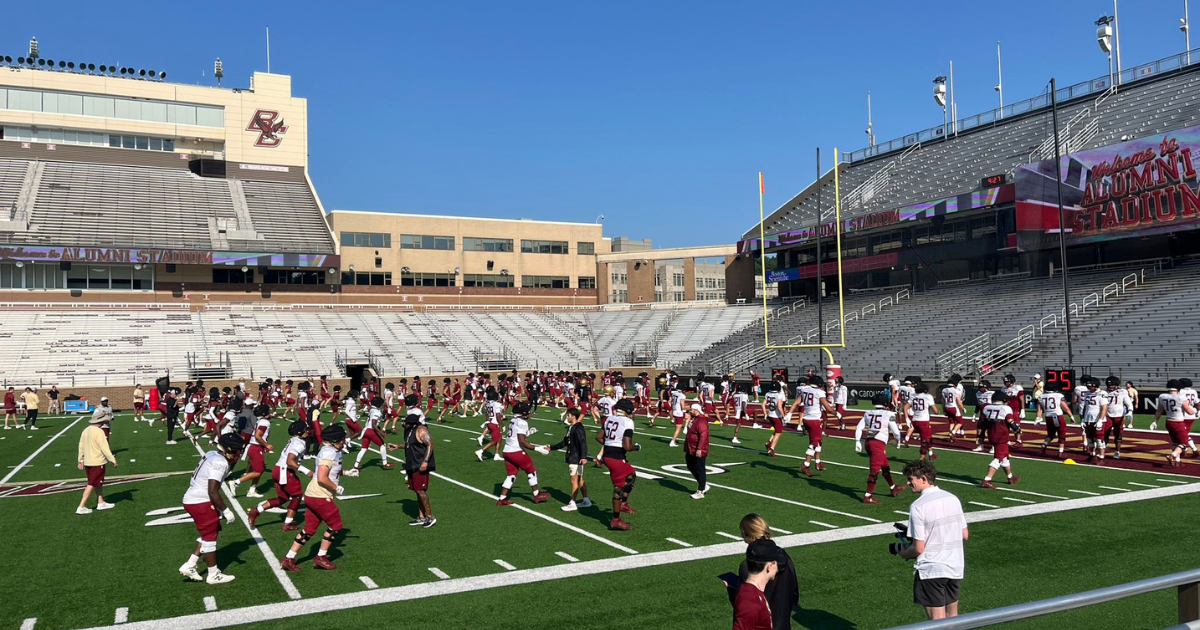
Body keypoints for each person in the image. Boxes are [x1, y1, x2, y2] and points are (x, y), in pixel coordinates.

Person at [900, 459, 968, 621]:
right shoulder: (953, 498)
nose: (908, 483)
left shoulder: (918, 506)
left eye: (911, 479)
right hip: (955, 567)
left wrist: (904, 553)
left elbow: (918, 548)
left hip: (931, 570)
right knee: (953, 619)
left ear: (923, 478)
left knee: (937, 623)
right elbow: (964, 534)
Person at [178, 433, 245, 584]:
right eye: (236, 450)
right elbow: (212, 490)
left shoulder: (212, 453)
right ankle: (213, 574)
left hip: (195, 498)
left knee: (210, 532)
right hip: (200, 501)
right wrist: (226, 510)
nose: (238, 454)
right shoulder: (220, 462)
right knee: (209, 538)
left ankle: (190, 564)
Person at [282, 424, 350, 571]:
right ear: (335, 440)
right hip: (320, 495)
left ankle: (289, 558)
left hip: (312, 494)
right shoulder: (329, 453)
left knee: (309, 529)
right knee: (335, 525)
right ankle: (321, 557)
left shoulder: (329, 450)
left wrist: (347, 472)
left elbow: (331, 470)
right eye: (342, 438)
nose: (344, 441)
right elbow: (322, 477)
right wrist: (335, 487)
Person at [724, 514, 798, 630]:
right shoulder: (786, 559)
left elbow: (745, 605)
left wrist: (732, 591)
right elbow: (794, 595)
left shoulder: (748, 566)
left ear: (748, 534)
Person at [248, 420, 311, 532]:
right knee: (297, 496)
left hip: (277, 469)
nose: (307, 431)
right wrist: (306, 471)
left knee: (283, 498)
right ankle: (287, 524)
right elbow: (290, 461)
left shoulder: (294, 440)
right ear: (300, 431)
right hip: (285, 471)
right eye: (305, 429)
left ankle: (256, 511)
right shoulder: (299, 443)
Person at [496, 402, 551, 506]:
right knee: (531, 471)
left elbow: (517, 436)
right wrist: (538, 449)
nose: (529, 413)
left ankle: (502, 498)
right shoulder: (522, 422)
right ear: (523, 412)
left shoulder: (514, 420)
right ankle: (537, 494)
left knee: (511, 475)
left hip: (507, 451)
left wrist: (528, 433)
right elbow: (522, 441)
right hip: (516, 451)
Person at [854, 393, 904, 503]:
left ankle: (893, 487)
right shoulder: (889, 414)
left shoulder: (868, 413)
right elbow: (896, 432)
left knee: (885, 466)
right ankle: (867, 496)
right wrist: (898, 442)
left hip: (869, 442)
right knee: (874, 471)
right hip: (878, 444)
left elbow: (859, 428)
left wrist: (857, 441)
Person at [599, 398, 640, 530]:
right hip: (616, 457)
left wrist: (610, 444)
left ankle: (623, 503)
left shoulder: (609, 419)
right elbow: (627, 446)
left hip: (608, 454)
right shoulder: (628, 422)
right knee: (618, 488)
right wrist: (637, 447)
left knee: (631, 475)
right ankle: (616, 519)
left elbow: (599, 437)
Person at [730, 538, 782, 630]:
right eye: (775, 563)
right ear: (769, 567)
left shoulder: (753, 592)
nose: (777, 567)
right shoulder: (750, 602)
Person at [788, 376, 835, 476]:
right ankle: (806, 465)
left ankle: (818, 463)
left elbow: (796, 402)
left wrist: (789, 413)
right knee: (814, 443)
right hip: (814, 420)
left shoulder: (805, 389)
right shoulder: (819, 392)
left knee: (818, 441)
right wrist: (838, 414)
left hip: (806, 419)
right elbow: (828, 408)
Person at [396, 411, 436, 527]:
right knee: (416, 491)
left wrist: (425, 461)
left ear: (412, 423)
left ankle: (430, 517)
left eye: (407, 423)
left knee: (421, 491)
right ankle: (421, 517)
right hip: (412, 464)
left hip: (419, 465)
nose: (405, 425)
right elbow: (409, 444)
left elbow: (430, 444)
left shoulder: (421, 430)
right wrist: (398, 446)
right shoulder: (411, 431)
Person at [548, 407, 592, 512]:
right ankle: (586, 500)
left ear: (573, 416)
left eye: (568, 415)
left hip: (575, 457)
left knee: (574, 480)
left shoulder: (578, 428)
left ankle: (572, 502)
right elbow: (564, 442)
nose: (567, 417)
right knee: (580, 480)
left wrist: (583, 456)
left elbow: (583, 442)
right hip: (574, 456)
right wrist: (551, 447)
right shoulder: (571, 428)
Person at [76, 413, 118, 514]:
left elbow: (81, 446)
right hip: (97, 462)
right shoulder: (99, 432)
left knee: (98, 483)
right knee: (91, 483)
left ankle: (101, 502)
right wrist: (113, 459)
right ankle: (81, 506)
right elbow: (104, 447)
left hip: (88, 462)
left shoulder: (86, 430)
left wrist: (80, 460)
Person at [980, 391, 1021, 487]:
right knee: (998, 458)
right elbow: (1010, 421)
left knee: (1004, 457)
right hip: (1001, 436)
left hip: (992, 435)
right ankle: (987, 479)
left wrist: (981, 436)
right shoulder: (1005, 408)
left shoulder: (986, 408)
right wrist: (1017, 430)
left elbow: (983, 424)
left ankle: (1010, 477)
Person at [1157, 380, 1196, 467]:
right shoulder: (1180, 397)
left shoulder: (1162, 396)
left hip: (1168, 422)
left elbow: (1159, 411)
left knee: (1175, 443)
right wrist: (1195, 411)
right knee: (1184, 444)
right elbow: (1189, 412)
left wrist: (1155, 421)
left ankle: (1177, 461)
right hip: (1178, 423)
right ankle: (1172, 455)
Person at [1037, 385, 1074, 458]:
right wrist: (1071, 416)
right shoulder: (1059, 395)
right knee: (1061, 434)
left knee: (1050, 434)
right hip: (1058, 416)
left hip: (1048, 417)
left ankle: (1045, 444)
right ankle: (1060, 452)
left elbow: (1039, 410)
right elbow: (1066, 408)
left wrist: (1038, 418)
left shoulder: (1041, 396)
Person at [684, 403, 711, 499]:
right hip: (691, 448)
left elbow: (703, 436)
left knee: (700, 469)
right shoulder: (695, 420)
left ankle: (700, 491)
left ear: (696, 410)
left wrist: (699, 449)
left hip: (698, 449)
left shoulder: (701, 421)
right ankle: (703, 484)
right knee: (690, 465)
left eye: (691, 409)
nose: (690, 411)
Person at [1102, 376, 1133, 460]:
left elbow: (1128, 402)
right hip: (1107, 415)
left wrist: (1130, 411)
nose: (1110, 387)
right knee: (1105, 434)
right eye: (1109, 385)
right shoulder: (1103, 392)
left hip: (1119, 416)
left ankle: (1117, 451)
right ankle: (1102, 450)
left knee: (1118, 435)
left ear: (1117, 385)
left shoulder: (1123, 392)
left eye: (1112, 385)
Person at [475, 387, 506, 462]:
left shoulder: (488, 404)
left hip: (490, 422)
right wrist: (503, 425)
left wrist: (488, 422)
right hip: (494, 423)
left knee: (499, 438)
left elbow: (486, 414)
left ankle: (496, 455)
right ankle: (481, 451)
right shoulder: (496, 404)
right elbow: (498, 416)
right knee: (495, 440)